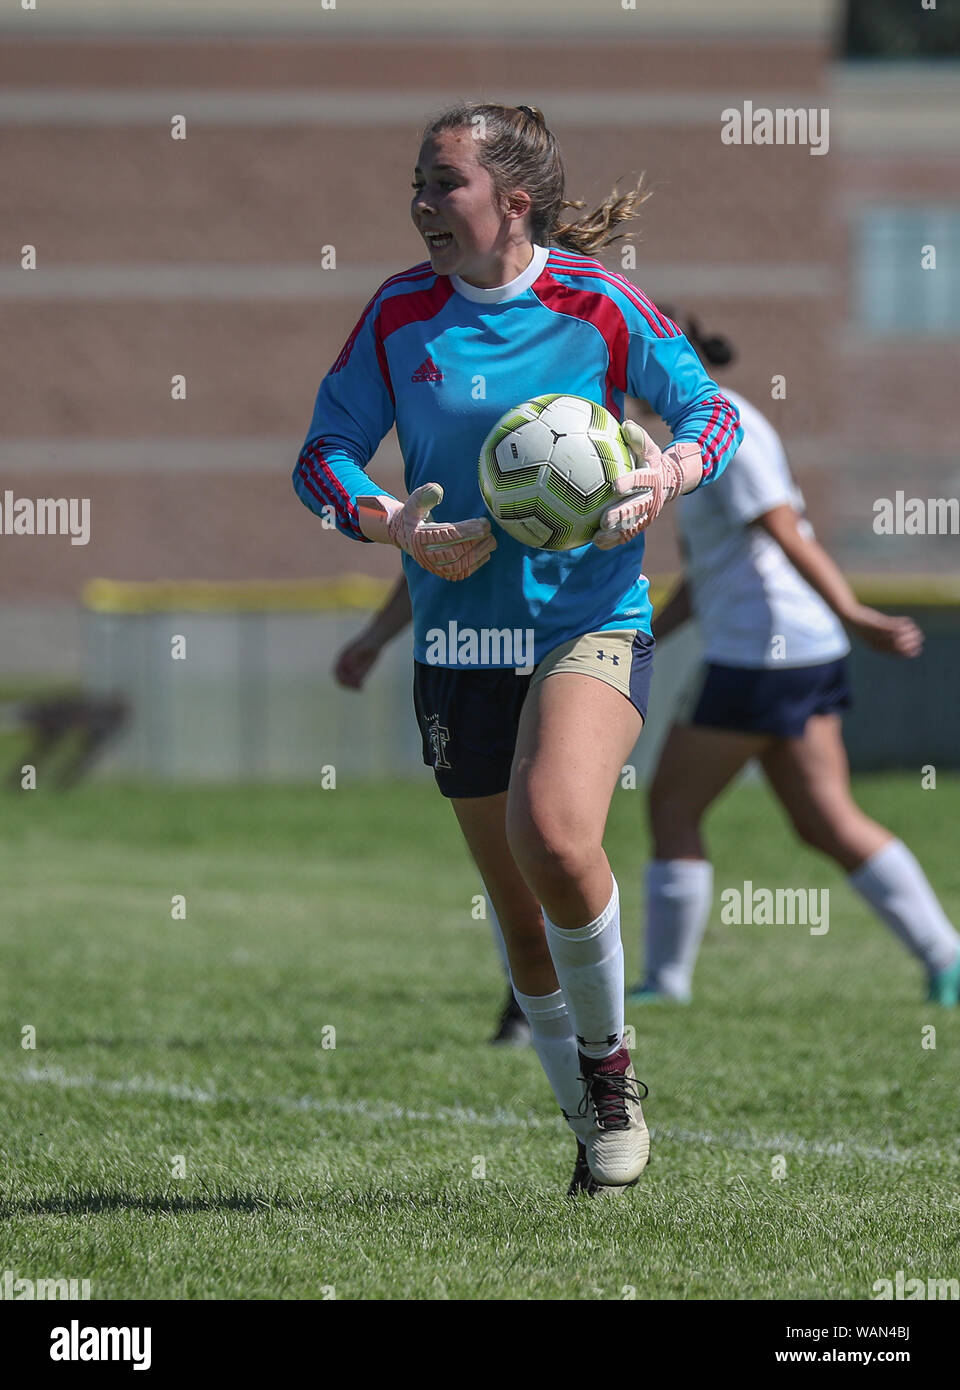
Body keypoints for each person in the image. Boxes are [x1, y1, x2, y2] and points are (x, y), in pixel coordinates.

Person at [294, 104, 742, 1194]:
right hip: (458, 643)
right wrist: (399, 524)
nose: (421, 202)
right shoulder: (399, 314)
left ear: (513, 202)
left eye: (444, 182)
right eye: (416, 180)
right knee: (522, 925)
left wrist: (663, 473)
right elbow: (322, 459)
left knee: (554, 829)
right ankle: (591, 1130)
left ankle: (614, 1070)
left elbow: (710, 412)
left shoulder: (599, 301)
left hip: (589, 617)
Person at [628, 310, 960, 1007]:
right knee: (825, 819)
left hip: (762, 654)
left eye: (639, 363)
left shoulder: (731, 432)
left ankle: (666, 982)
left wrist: (856, 612)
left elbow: (785, 532)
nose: (629, 379)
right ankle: (946, 957)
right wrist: (647, 634)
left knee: (671, 803)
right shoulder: (701, 438)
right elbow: (713, 571)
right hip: (798, 650)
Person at [333, 576, 532, 1046]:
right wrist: (375, 636)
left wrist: (657, 496)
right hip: (464, 653)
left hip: (568, 646)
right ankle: (529, 996)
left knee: (552, 834)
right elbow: (428, 554)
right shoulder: (441, 500)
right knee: (506, 851)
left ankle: (595, 1025)